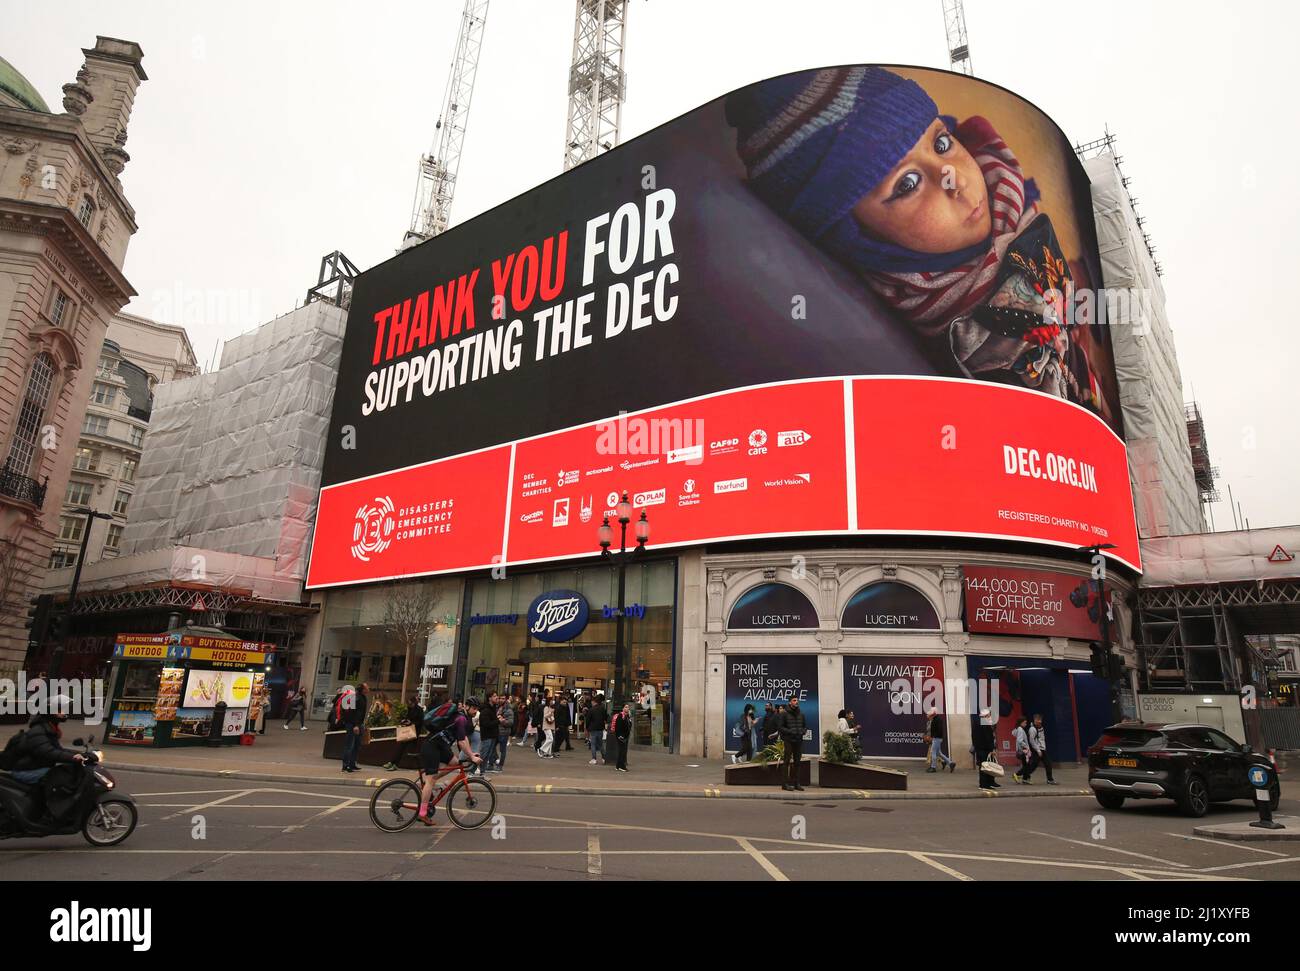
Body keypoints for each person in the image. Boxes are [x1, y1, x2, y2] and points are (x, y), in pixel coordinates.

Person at [725, 67, 1111, 419]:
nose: (954, 179)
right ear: (856, 240)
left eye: (941, 143)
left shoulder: (1001, 179)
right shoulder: (973, 333)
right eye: (907, 184)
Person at [416, 698, 483, 826]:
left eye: (477, 709)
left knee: (455, 764)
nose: (475, 711)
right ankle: (422, 813)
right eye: (474, 708)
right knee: (430, 780)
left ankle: (430, 785)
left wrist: (471, 753)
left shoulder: (463, 718)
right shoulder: (461, 718)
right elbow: (461, 742)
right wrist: (472, 757)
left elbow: (464, 738)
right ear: (467, 707)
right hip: (432, 746)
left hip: (442, 746)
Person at [8, 695, 85, 787]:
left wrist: (82, 754)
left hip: (36, 767)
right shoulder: (38, 730)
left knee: (67, 771)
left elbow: (58, 750)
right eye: (60, 710)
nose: (64, 713)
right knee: (61, 775)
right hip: (25, 771)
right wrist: (72, 758)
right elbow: (48, 751)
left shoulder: (50, 729)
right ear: (50, 712)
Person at [777, 696, 807, 791]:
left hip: (799, 740)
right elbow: (780, 727)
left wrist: (803, 731)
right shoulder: (784, 713)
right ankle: (785, 784)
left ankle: (796, 783)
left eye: (797, 700)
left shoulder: (801, 714)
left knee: (797, 763)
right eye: (794, 700)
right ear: (790, 702)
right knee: (786, 762)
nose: (796, 702)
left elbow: (805, 726)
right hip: (789, 740)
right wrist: (790, 731)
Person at [338, 684, 367, 773]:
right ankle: (345, 766)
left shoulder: (362, 697)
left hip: (358, 724)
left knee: (356, 745)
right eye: (367, 687)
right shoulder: (356, 698)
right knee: (349, 745)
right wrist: (355, 725)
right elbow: (352, 713)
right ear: (363, 689)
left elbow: (360, 713)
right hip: (352, 725)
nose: (368, 688)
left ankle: (352, 764)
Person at [973, 708, 999, 790]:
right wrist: (992, 749)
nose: (990, 716)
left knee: (985, 766)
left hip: (980, 748)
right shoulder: (985, 724)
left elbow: (973, 737)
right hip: (985, 749)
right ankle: (984, 784)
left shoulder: (977, 723)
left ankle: (989, 782)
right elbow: (988, 738)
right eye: (989, 715)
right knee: (986, 766)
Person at [475, 693, 500, 777]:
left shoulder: (493, 708)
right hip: (487, 736)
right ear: (489, 698)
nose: (497, 698)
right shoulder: (486, 710)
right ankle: (472, 771)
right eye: (494, 696)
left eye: (496, 696)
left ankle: (482, 773)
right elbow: (486, 724)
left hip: (492, 736)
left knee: (487, 756)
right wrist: (498, 721)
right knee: (483, 755)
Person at [925, 705, 955, 773]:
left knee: (933, 752)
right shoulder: (936, 719)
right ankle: (950, 763)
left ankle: (933, 767)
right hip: (937, 738)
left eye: (931, 713)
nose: (930, 714)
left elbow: (938, 730)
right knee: (939, 753)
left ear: (934, 713)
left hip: (937, 738)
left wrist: (933, 737)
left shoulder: (937, 719)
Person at [1029, 713, 1056, 785]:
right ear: (1034, 720)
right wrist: (1038, 750)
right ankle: (1024, 775)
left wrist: (1043, 748)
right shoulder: (1032, 729)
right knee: (1033, 765)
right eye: (1038, 720)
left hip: (1042, 749)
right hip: (1037, 750)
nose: (1040, 721)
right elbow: (1032, 741)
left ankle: (1050, 779)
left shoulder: (1041, 727)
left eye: (1040, 720)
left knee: (1048, 764)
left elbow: (1042, 739)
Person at [494, 694, 514, 771]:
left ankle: (500, 765)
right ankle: (496, 760)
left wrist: (502, 720)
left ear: (505, 699)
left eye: (503, 698)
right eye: (499, 698)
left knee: (502, 750)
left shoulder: (509, 709)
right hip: (496, 731)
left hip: (504, 732)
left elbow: (510, 723)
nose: (501, 700)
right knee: (492, 747)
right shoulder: (497, 707)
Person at [587, 693, 608, 765]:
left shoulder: (591, 710)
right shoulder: (603, 709)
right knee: (600, 744)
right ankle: (604, 758)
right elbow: (605, 718)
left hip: (593, 729)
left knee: (593, 744)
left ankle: (594, 759)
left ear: (594, 702)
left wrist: (587, 728)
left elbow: (588, 720)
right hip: (600, 728)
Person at [1012, 716, 1034, 784]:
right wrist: (1026, 747)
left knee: (1026, 765)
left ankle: (1026, 779)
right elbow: (1019, 741)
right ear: (1021, 723)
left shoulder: (1018, 729)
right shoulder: (1021, 730)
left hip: (1021, 750)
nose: (1026, 724)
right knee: (1028, 765)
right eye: (1025, 723)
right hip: (1024, 751)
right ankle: (1017, 774)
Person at [612, 703, 632, 772]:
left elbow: (629, 725)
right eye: (626, 707)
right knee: (622, 751)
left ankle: (618, 766)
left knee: (621, 751)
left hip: (624, 736)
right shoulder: (621, 716)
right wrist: (620, 735)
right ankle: (622, 766)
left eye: (628, 707)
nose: (627, 708)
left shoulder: (627, 716)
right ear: (623, 708)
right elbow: (618, 727)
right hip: (621, 736)